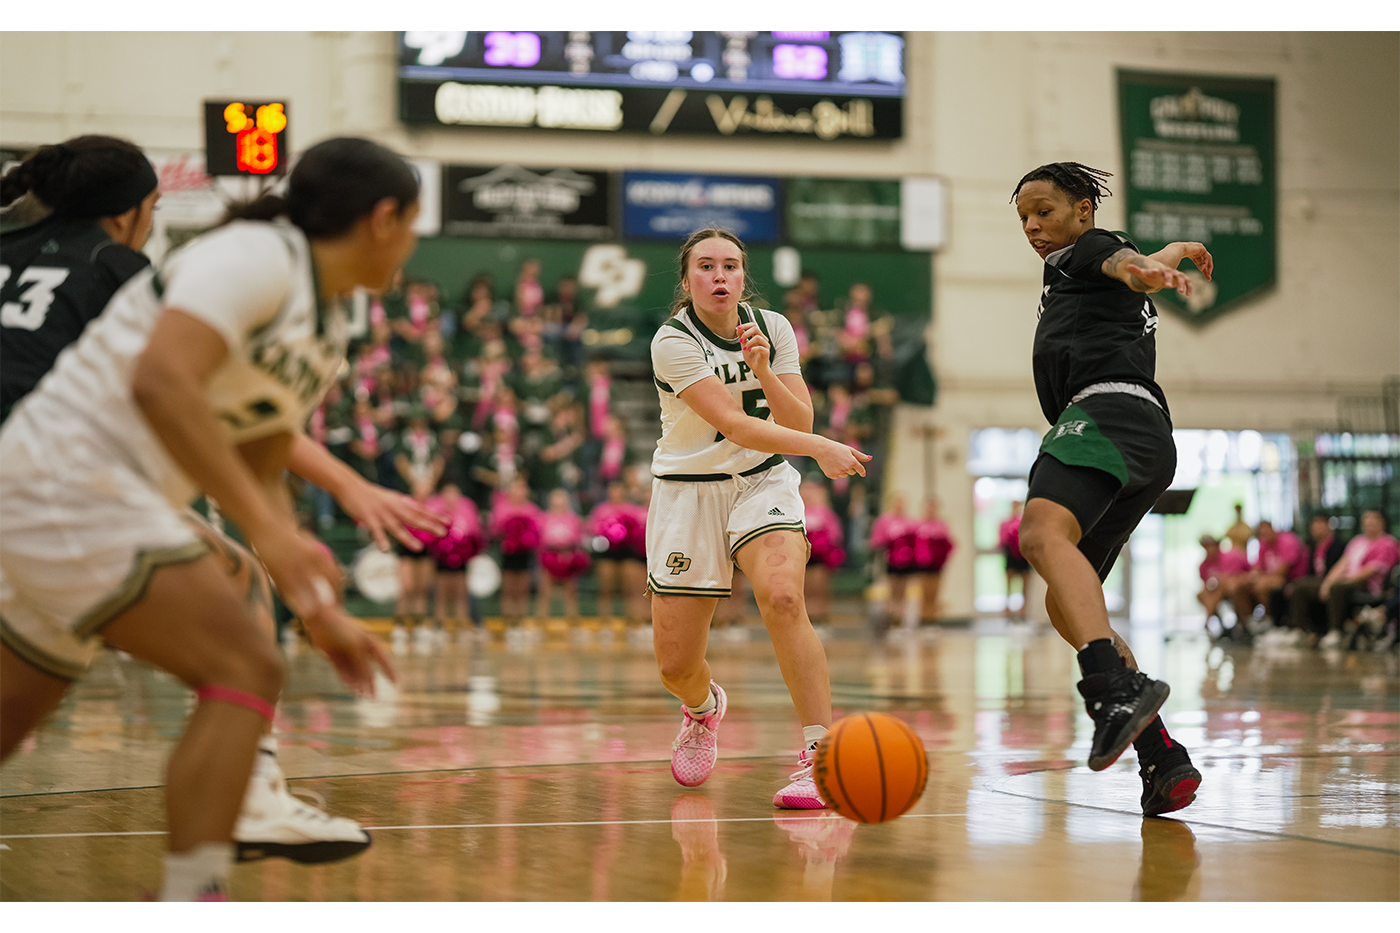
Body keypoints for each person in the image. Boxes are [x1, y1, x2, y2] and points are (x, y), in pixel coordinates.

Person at [0, 136, 445, 875]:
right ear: (383, 218)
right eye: (411, 224)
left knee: (11, 717)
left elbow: (260, 462)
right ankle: (194, 894)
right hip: (70, 483)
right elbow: (161, 380)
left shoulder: (328, 323)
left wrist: (317, 608)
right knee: (244, 664)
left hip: (73, 498)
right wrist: (275, 531)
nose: (412, 243)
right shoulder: (256, 256)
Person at [1011, 162, 1212, 816]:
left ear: (1083, 210)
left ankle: (1108, 689)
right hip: (1142, 433)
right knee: (1066, 604)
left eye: (1044, 210)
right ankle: (1161, 754)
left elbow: (1123, 262)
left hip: (1108, 413)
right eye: (1023, 217)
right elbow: (1133, 264)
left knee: (1039, 533)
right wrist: (1169, 255)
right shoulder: (1078, 265)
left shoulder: (1091, 249)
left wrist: (1147, 269)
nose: (1033, 225)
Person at [645, 226, 870, 810]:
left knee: (784, 597)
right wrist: (821, 448)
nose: (719, 275)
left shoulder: (773, 327)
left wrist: (763, 367)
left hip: (762, 480)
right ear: (687, 280)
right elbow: (735, 424)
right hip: (688, 492)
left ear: (744, 276)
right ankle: (703, 709)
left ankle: (819, 755)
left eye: (730, 265)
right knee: (676, 666)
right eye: (705, 266)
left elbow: (798, 418)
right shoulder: (672, 341)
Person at [1306, 510, 1400, 648]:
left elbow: (1371, 570)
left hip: (1367, 584)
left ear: (1382, 523)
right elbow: (1342, 564)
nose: (1369, 524)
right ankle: (1301, 629)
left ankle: (1336, 631)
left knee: (1337, 588)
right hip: (1346, 580)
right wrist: (1327, 582)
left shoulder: (1388, 543)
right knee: (1302, 586)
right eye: (1366, 521)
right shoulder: (1357, 541)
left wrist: (1345, 581)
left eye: (1373, 521)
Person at [1276, 514, 1347, 638]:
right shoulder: (1314, 547)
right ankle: (1295, 628)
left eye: (1320, 524)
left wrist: (1327, 583)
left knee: (1301, 587)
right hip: (1316, 581)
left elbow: (1339, 569)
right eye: (1314, 526)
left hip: (1332, 580)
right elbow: (1310, 572)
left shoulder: (1338, 546)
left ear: (1328, 525)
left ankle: (1333, 631)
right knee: (1291, 587)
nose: (1316, 528)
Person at [490, 475, 542, 627]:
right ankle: (508, 621)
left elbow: (538, 531)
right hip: (508, 552)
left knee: (523, 588)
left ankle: (520, 621)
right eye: (517, 487)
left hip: (525, 553)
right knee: (509, 588)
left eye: (523, 487)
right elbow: (495, 530)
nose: (520, 491)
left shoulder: (532, 509)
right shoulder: (502, 508)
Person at [1236, 520, 1307, 628]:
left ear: (1273, 529)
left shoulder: (1287, 541)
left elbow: (1282, 572)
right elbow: (1257, 567)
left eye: (1266, 530)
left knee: (1261, 585)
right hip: (1269, 578)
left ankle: (1270, 620)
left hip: (1291, 579)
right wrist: (1251, 577)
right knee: (1241, 586)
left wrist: (1259, 578)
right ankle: (1250, 623)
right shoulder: (1263, 544)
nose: (1264, 534)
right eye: (1261, 532)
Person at [538, 488, 589, 625]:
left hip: (569, 556)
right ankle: (541, 624)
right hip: (549, 557)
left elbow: (579, 539)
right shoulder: (544, 518)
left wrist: (569, 553)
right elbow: (540, 539)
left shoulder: (573, 519)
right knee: (545, 593)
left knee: (571, 593)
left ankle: (573, 624)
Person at [799, 480, 845, 628]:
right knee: (804, 588)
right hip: (802, 556)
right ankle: (806, 620)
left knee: (819, 587)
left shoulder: (825, 513)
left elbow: (835, 535)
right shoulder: (796, 511)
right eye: (804, 491)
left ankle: (821, 618)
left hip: (820, 556)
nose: (807, 494)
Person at [870, 493, 919, 629]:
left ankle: (900, 620)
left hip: (906, 561)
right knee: (893, 591)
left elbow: (916, 541)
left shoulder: (910, 522)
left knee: (903, 591)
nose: (899, 506)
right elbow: (876, 541)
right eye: (897, 502)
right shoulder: (884, 521)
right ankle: (891, 622)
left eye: (902, 503)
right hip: (891, 560)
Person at [1197, 535, 1249, 634]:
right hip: (1217, 591)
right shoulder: (1203, 566)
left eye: (1211, 545)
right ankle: (1219, 623)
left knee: (1223, 586)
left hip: (1236, 587)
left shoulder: (1229, 557)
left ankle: (1207, 620)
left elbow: (1233, 577)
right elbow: (1206, 585)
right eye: (1206, 546)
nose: (1209, 549)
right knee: (1202, 595)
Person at [915, 498, 954, 623]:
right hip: (922, 565)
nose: (931, 510)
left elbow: (949, 545)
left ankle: (932, 621)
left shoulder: (942, 525)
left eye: (934, 508)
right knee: (923, 594)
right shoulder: (918, 525)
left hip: (937, 565)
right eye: (929, 507)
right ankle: (924, 620)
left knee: (935, 594)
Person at [1000, 500, 1032, 620]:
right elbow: (1002, 541)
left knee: (1025, 586)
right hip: (1011, 556)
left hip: (1023, 557)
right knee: (1009, 585)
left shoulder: (1024, 522)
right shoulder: (1006, 523)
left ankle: (1023, 611)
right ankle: (1008, 610)